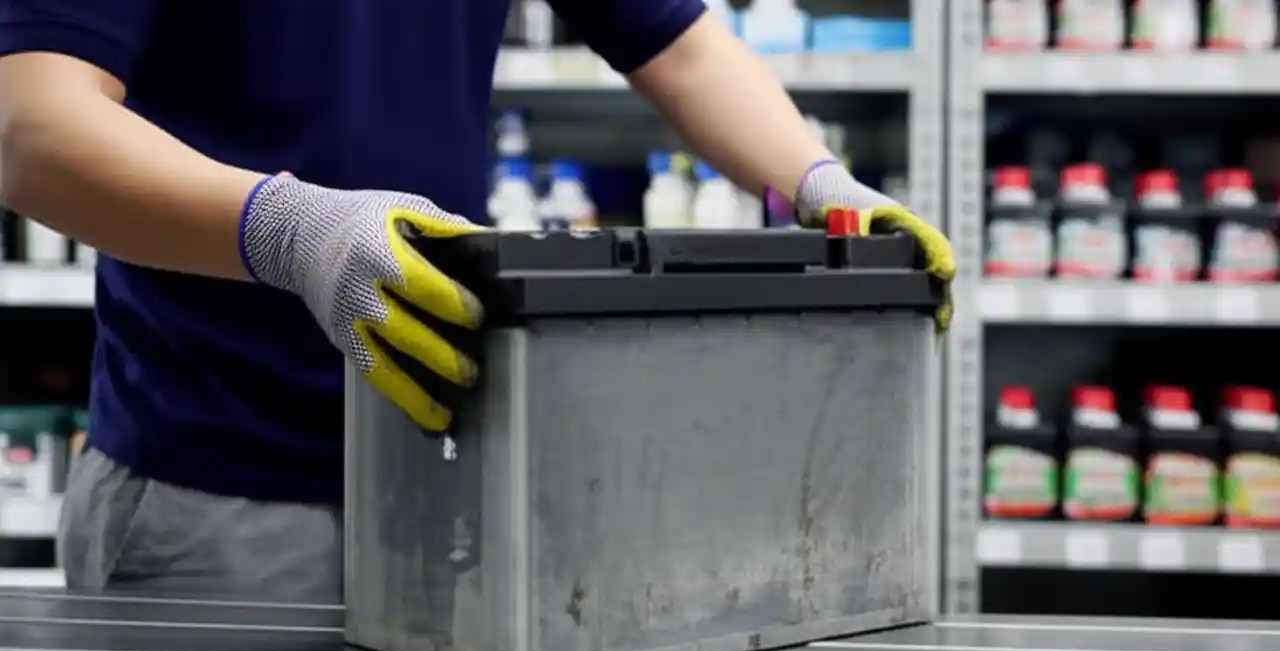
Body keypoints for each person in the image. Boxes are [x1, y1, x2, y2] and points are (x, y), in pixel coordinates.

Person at [0, 1, 954, 604]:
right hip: (212, 491)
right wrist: (294, 231)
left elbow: (682, 46)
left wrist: (820, 182)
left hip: (448, 476)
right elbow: (29, 127)